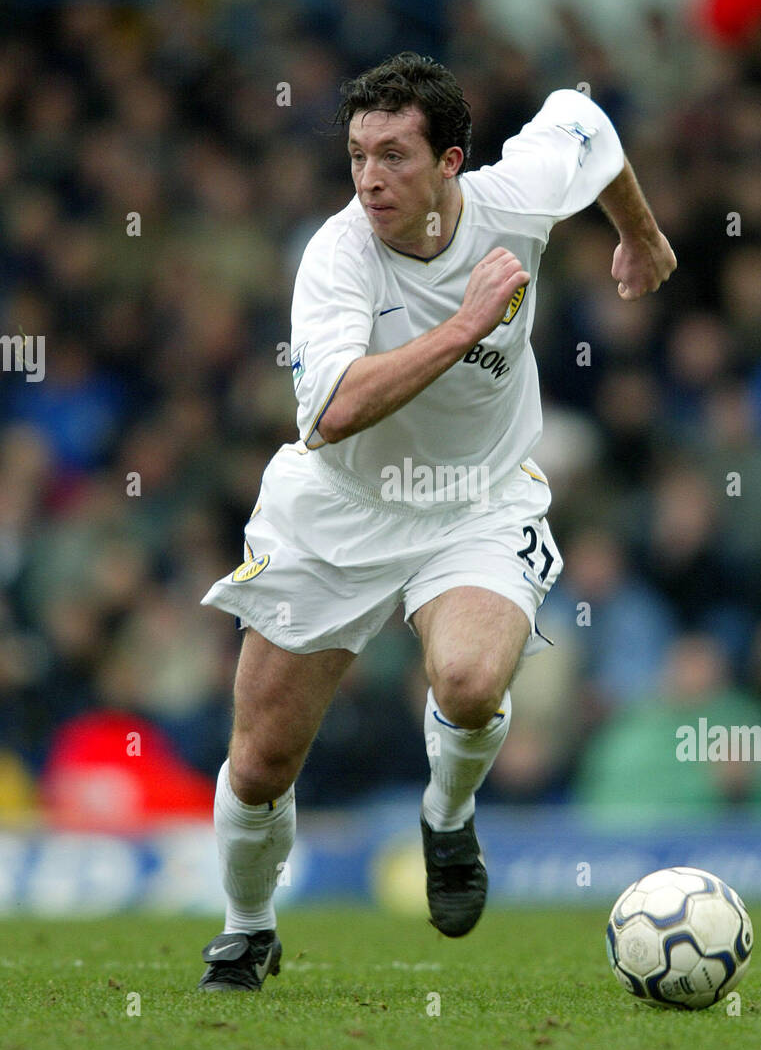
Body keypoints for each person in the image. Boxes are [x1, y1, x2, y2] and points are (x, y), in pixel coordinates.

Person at [197, 50, 676, 990]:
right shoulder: (336, 256)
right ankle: (248, 925)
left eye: (394, 156)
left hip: (477, 502)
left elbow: (586, 121)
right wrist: (463, 326)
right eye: (356, 156)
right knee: (260, 762)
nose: (369, 179)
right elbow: (332, 411)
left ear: (450, 162)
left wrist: (641, 235)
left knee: (467, 681)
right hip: (336, 510)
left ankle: (447, 816)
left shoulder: (514, 197)